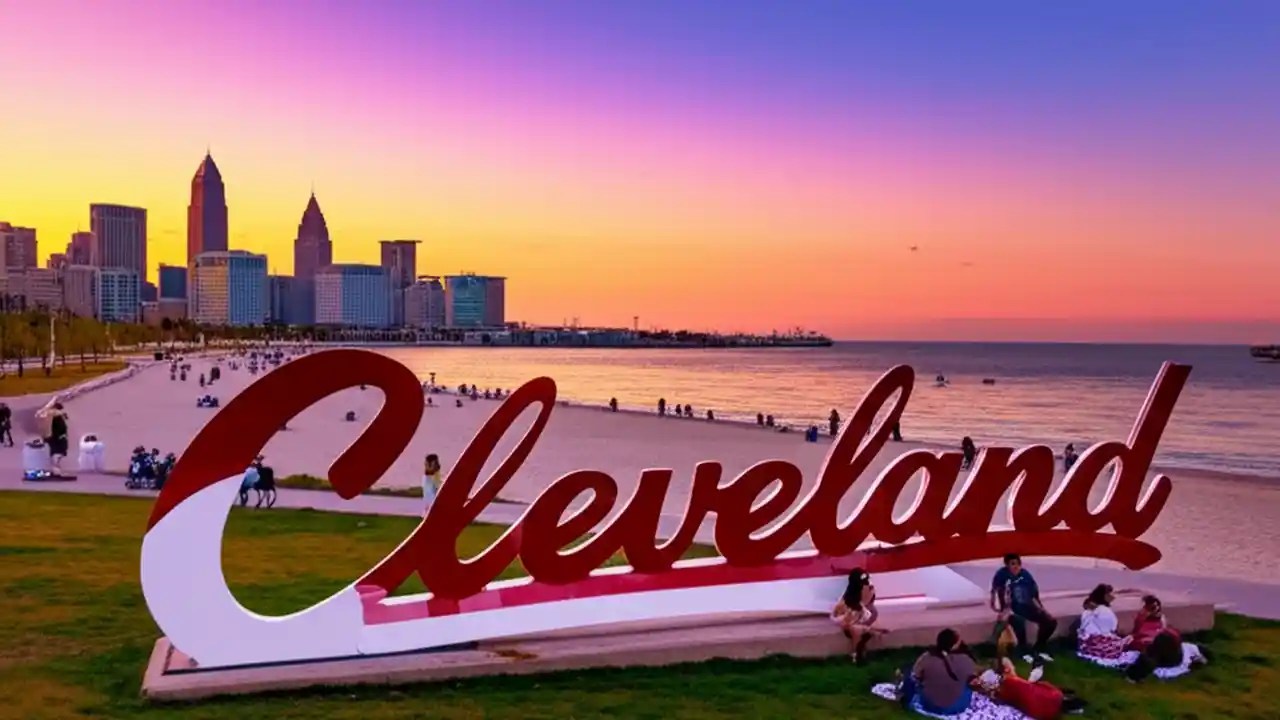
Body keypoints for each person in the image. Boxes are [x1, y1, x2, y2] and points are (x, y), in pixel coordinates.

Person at [990, 553, 1057, 663]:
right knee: (1019, 621)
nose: (1016, 567)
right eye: (1012, 564)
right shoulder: (1001, 576)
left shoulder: (1025, 575)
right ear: (1007, 565)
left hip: (1027, 607)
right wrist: (1001, 611)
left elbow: (1034, 595)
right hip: (1011, 609)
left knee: (1050, 622)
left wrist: (1042, 609)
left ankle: (1039, 647)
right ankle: (1023, 651)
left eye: (1018, 564)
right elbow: (995, 594)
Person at [902, 628, 976, 715]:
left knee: (912, 676)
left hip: (929, 705)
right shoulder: (966, 660)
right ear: (954, 645)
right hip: (957, 707)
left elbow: (915, 676)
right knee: (967, 686)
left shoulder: (926, 657)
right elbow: (973, 677)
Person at [831, 568, 883, 664]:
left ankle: (861, 647)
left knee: (862, 628)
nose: (868, 584)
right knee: (856, 629)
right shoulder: (847, 601)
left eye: (867, 581)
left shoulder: (869, 590)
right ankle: (858, 653)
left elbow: (868, 607)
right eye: (864, 583)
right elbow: (838, 616)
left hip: (864, 616)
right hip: (852, 621)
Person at [1078, 583, 1128, 661]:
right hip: (1097, 641)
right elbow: (1110, 628)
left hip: (1085, 643)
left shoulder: (1092, 608)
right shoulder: (1103, 610)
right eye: (1111, 593)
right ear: (1105, 595)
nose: (1113, 595)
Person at [46, 403, 70, 475]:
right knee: (58, 452)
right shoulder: (57, 417)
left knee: (55, 452)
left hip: (53, 437)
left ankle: (55, 467)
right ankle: (55, 468)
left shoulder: (52, 416)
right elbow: (60, 428)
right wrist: (62, 435)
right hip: (57, 437)